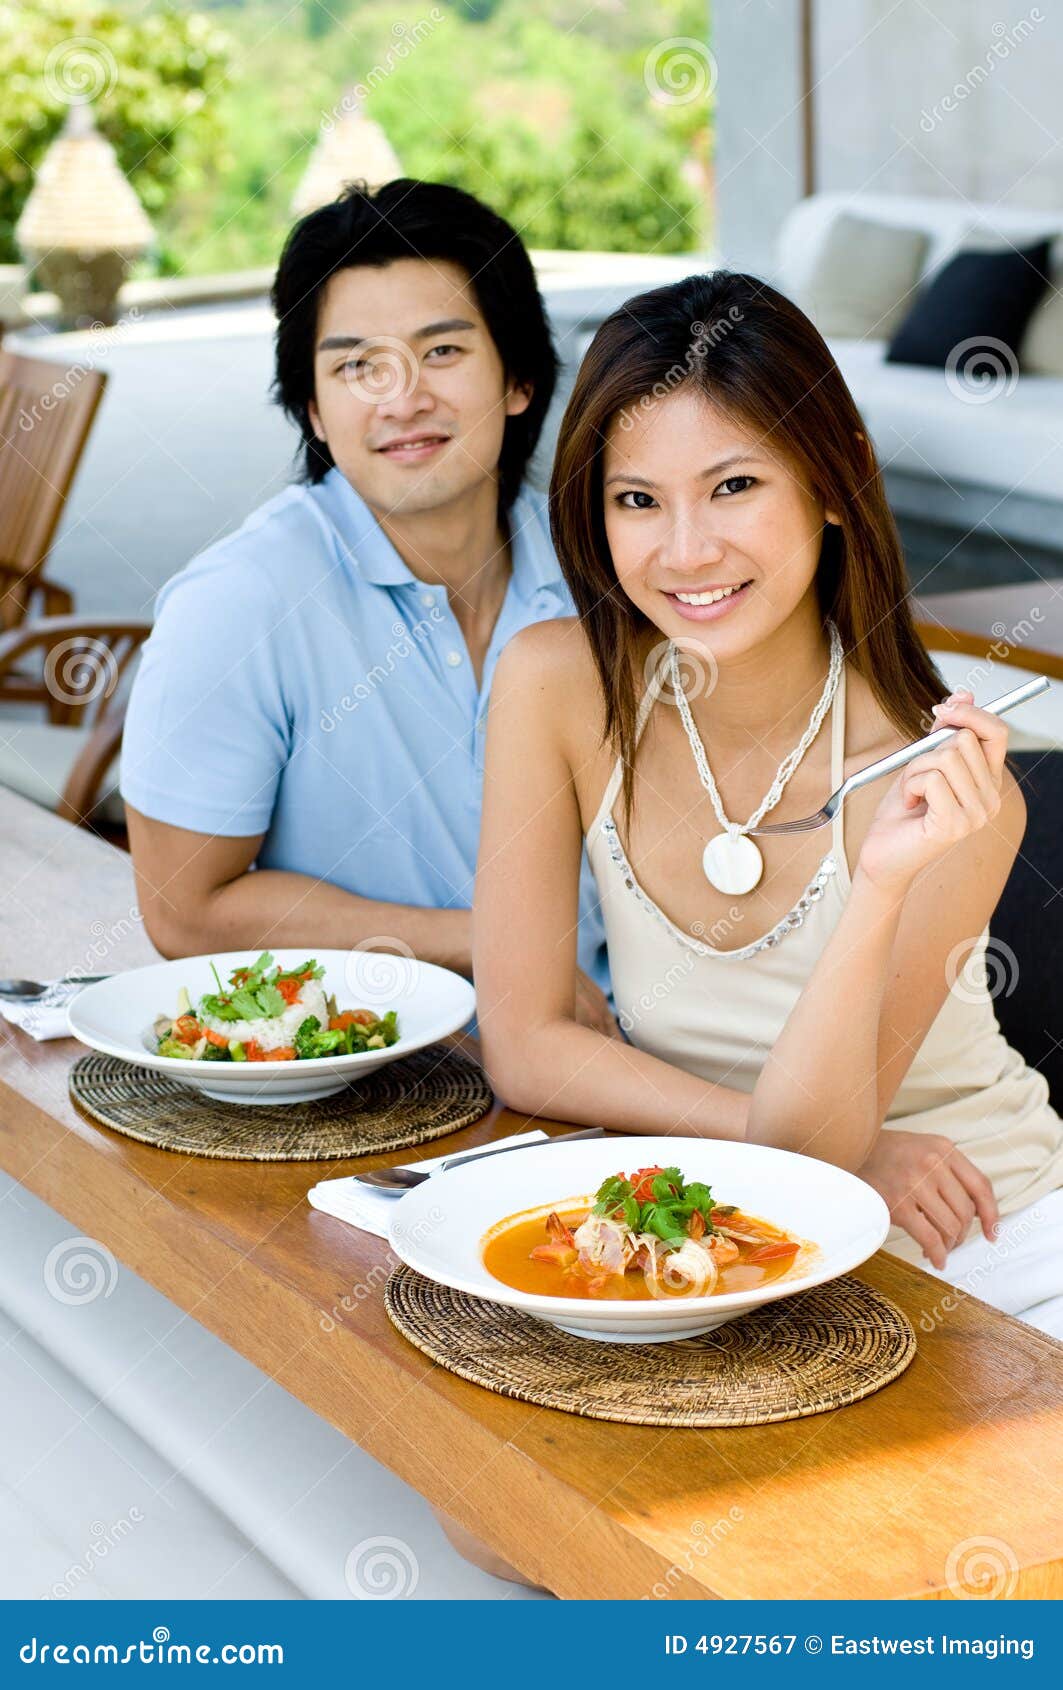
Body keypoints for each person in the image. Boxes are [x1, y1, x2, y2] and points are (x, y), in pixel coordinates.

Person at [473, 270, 1063, 1335]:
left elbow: (812, 1146)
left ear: (831, 483)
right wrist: (795, 1142)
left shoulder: (941, 779)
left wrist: (879, 884)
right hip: (725, 1215)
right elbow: (524, 1043)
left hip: (982, 1226)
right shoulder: (554, 684)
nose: (685, 550)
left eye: (734, 486)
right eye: (637, 500)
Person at [120, 179, 612, 1030]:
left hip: (619, 1046)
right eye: (356, 365)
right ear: (313, 409)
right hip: (376, 1075)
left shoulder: (602, 566)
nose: (402, 397)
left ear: (519, 378)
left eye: (444, 351)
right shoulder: (236, 604)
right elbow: (183, 910)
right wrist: (491, 945)